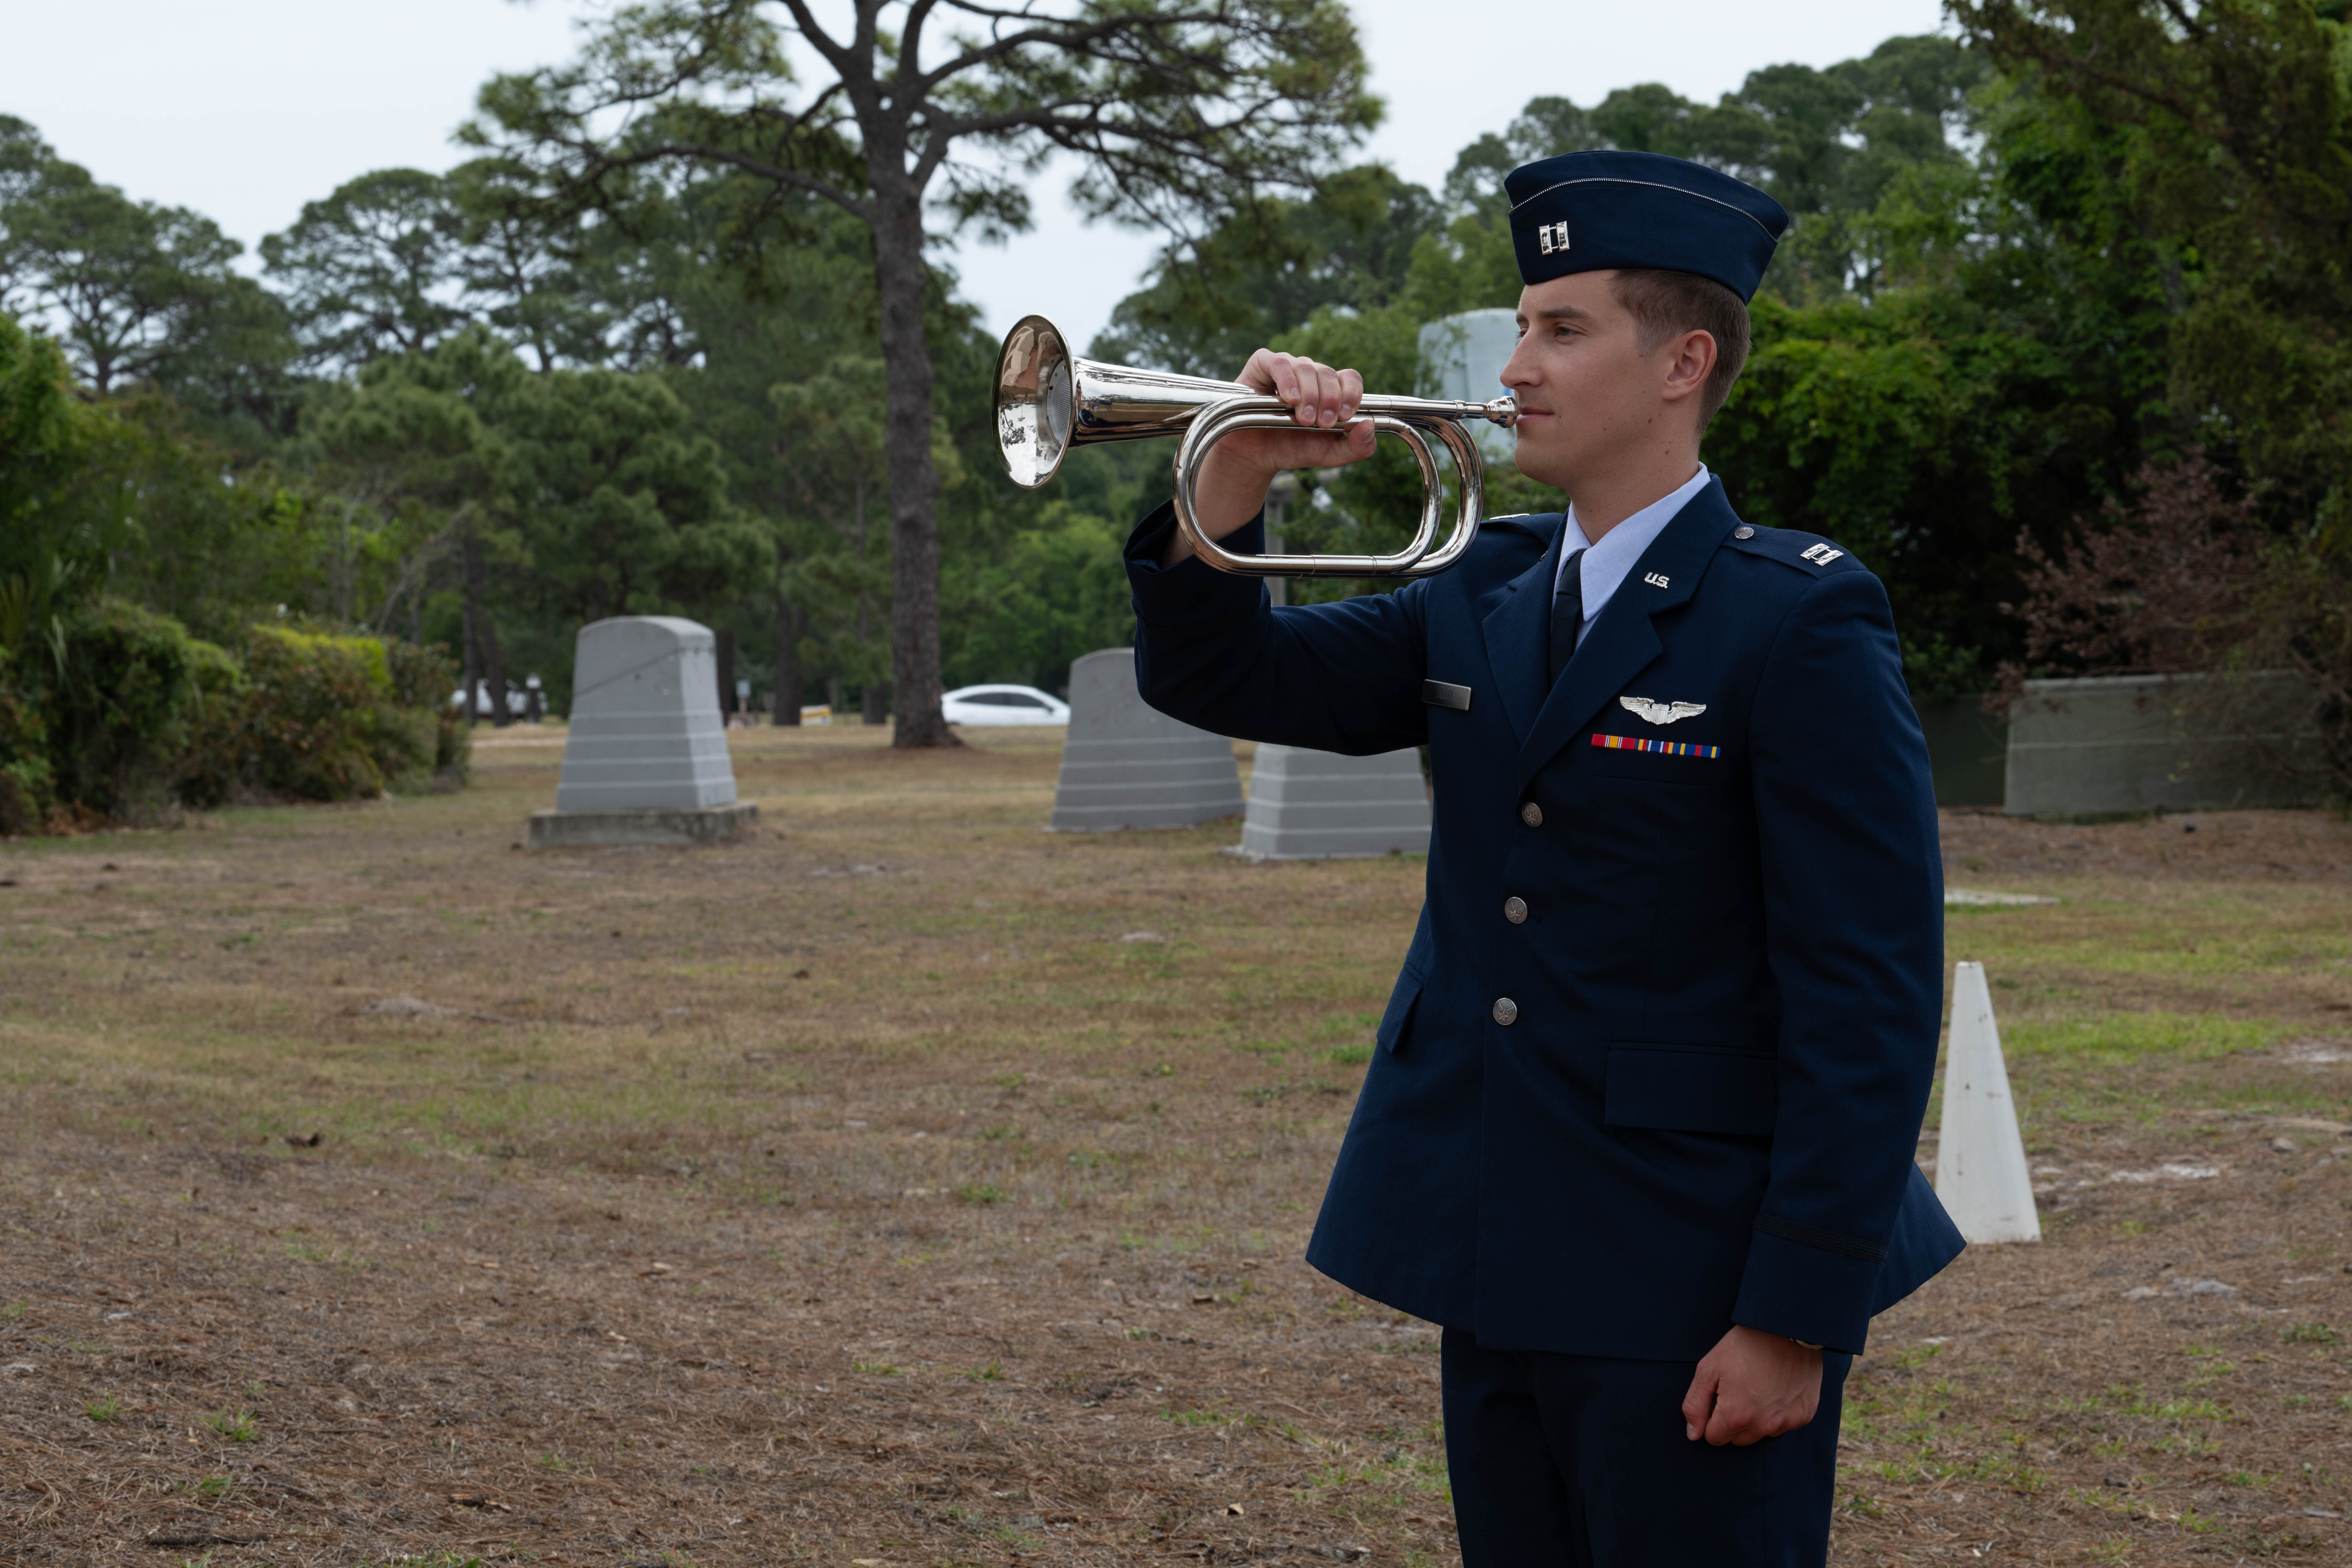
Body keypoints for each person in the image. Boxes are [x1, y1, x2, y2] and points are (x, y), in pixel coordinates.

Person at [1122, 149, 1965, 1567]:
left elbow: (1867, 991)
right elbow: (1225, 677)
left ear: (1684, 362)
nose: (1515, 366)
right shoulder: (1485, 583)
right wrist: (1235, 470)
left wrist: (1796, 1312)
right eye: (1520, 326)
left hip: (1693, 1276)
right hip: (1496, 1246)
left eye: (1562, 329)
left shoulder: (1796, 617)